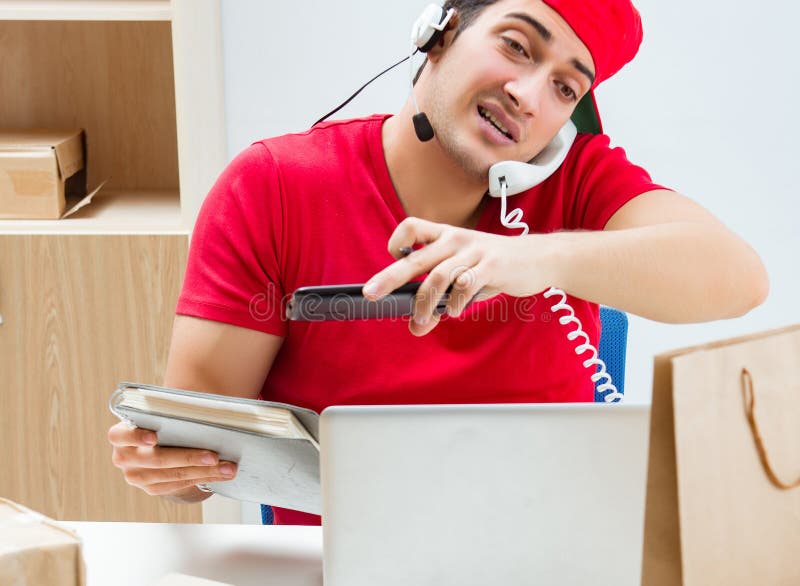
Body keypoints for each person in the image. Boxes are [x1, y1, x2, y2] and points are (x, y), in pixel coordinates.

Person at [108, 0, 769, 525]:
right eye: (516, 45)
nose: (530, 95)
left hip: (548, 562)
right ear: (438, 31)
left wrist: (538, 256)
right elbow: (200, 450)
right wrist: (175, 475)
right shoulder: (272, 187)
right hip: (337, 568)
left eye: (566, 88)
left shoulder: (580, 185)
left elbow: (739, 277)